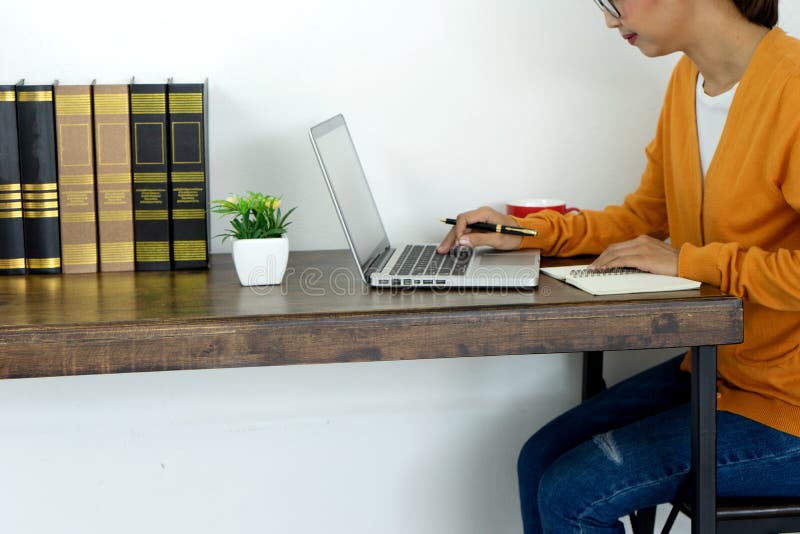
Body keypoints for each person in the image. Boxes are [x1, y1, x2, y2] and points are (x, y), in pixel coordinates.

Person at [437, 0, 800, 532]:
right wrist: (523, 233)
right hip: (720, 372)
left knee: (573, 492)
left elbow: (684, 253)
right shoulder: (688, 82)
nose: (609, 19)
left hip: (788, 403)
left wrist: (692, 260)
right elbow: (642, 217)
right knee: (539, 458)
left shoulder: (792, 90)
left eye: (615, 1)